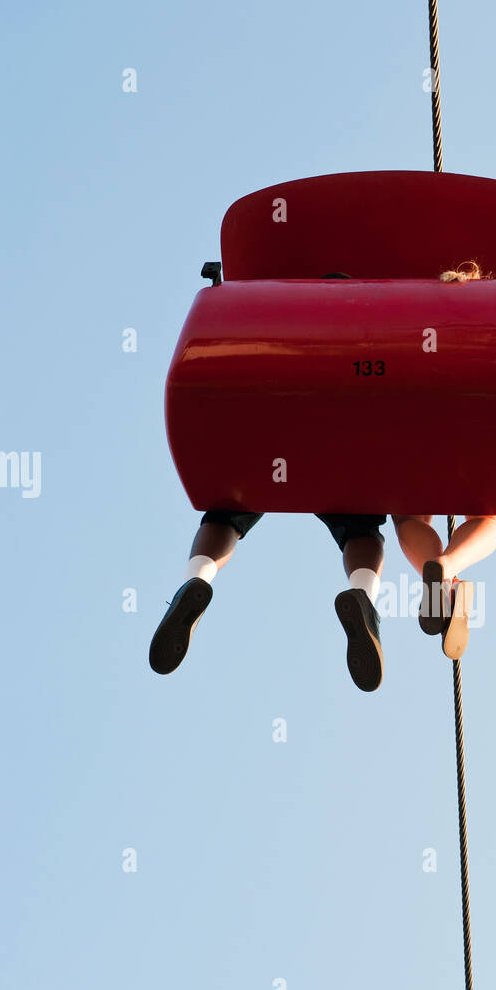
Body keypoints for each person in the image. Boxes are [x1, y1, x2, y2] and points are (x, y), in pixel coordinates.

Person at [149, 274, 387, 692]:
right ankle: (363, 597)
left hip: (269, 426)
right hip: (340, 435)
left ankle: (198, 579)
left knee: (224, 514)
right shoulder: (366, 332)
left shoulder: (273, 315)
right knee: (363, 529)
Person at [392, 261, 496, 660]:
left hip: (413, 436)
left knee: (409, 519)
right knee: (491, 518)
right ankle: (447, 565)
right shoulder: (491, 326)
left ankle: (440, 575)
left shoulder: (412, 326)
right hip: (474, 433)